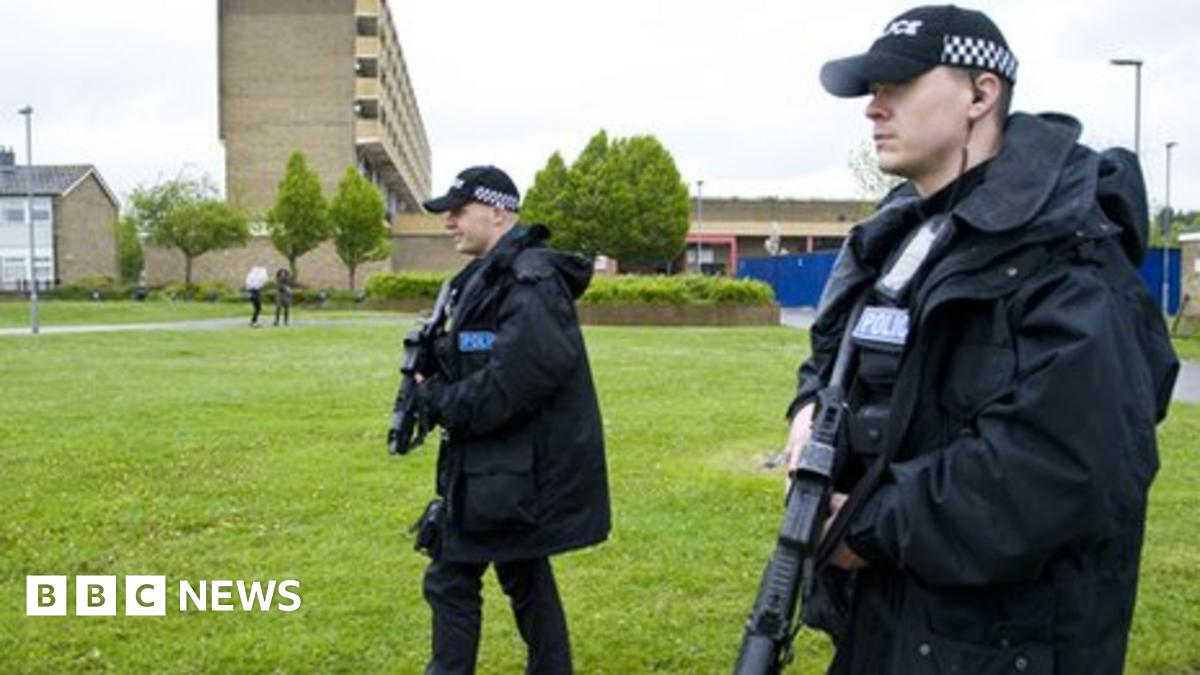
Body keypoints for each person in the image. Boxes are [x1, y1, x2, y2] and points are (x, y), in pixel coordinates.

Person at [784, 6, 1179, 674]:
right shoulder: (907, 237)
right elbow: (845, 358)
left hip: (1000, 647)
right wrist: (807, 409)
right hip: (891, 622)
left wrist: (869, 526)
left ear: (980, 93)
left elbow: (1059, 469)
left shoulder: (1068, 254)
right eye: (871, 90)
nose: (874, 108)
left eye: (897, 84)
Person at [411, 165, 610, 674]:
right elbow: (486, 357)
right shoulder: (490, 277)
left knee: (451, 578)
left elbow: (510, 385)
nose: (449, 222)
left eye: (459, 211)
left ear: (497, 211)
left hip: (514, 471)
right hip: (499, 468)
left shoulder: (532, 280)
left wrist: (437, 400)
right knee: (522, 572)